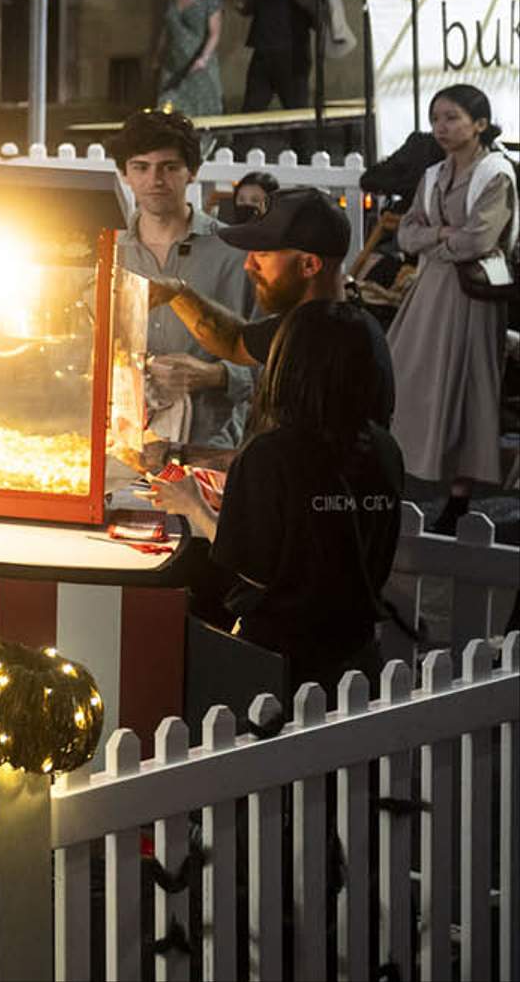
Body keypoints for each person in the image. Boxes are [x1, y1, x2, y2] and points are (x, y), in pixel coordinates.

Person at [153, 301, 402, 690]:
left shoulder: (271, 453)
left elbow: (254, 565)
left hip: (281, 656)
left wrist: (192, 505)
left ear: (290, 367)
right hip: (357, 653)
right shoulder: (385, 450)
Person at [144, 187, 391, 468]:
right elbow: (235, 341)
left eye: (262, 254)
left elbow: (287, 464)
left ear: (309, 264)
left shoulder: (326, 348)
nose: (249, 265)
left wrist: (175, 455)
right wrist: (177, 293)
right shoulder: (307, 323)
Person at [383, 85, 512, 504]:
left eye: (452, 118)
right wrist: (440, 234)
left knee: (466, 383)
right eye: (436, 117)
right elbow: (406, 231)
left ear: (479, 124)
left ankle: (461, 485)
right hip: (430, 291)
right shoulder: (433, 175)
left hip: (471, 293)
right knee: (409, 373)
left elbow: (479, 240)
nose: (441, 126)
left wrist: (433, 241)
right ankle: (420, 467)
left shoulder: (496, 175)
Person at [110, 109, 259, 450]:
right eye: (141, 167)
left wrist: (216, 375)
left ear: (192, 172)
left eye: (169, 167)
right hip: (121, 447)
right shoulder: (110, 253)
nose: (155, 180)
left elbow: (279, 361)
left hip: (209, 450)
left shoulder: (237, 255)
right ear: (124, 174)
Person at [228, 0, 321, 114]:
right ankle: (242, 144)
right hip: (264, 50)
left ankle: (304, 145)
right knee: (251, 108)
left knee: (296, 110)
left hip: (292, 52)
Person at [154, 0, 225, 117]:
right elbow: (166, 29)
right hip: (174, 62)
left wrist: (203, 58)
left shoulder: (210, 0)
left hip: (197, 64)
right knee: (168, 107)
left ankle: (205, 142)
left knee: (200, 109)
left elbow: (215, 33)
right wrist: (157, 56)